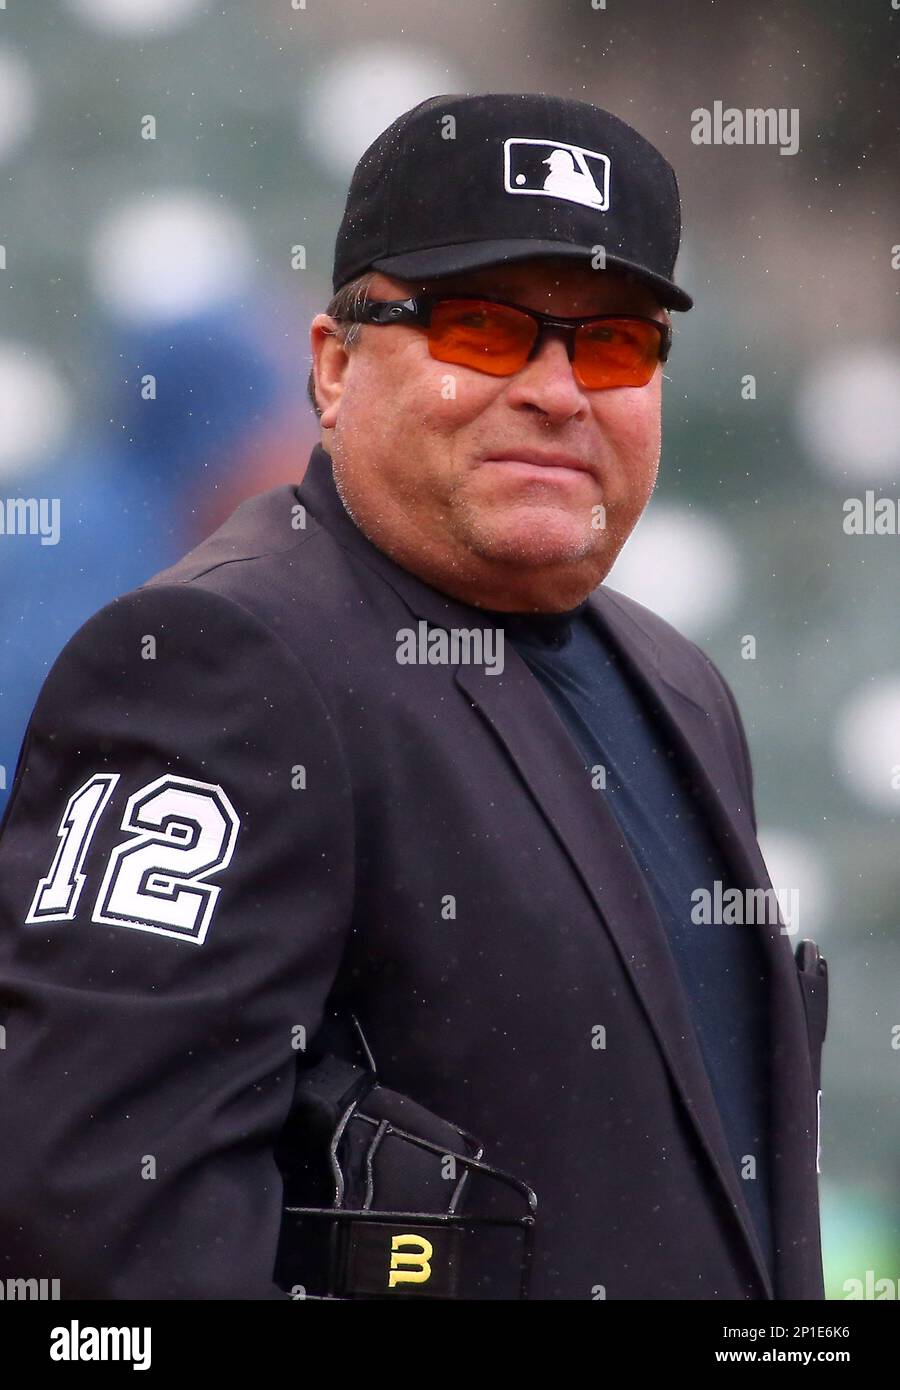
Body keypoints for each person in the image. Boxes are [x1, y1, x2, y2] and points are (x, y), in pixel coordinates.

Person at [0, 92, 827, 1300]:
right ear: (334, 371)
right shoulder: (217, 658)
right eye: (484, 330)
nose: (559, 391)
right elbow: (90, 1224)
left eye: (612, 344)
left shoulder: (680, 686)